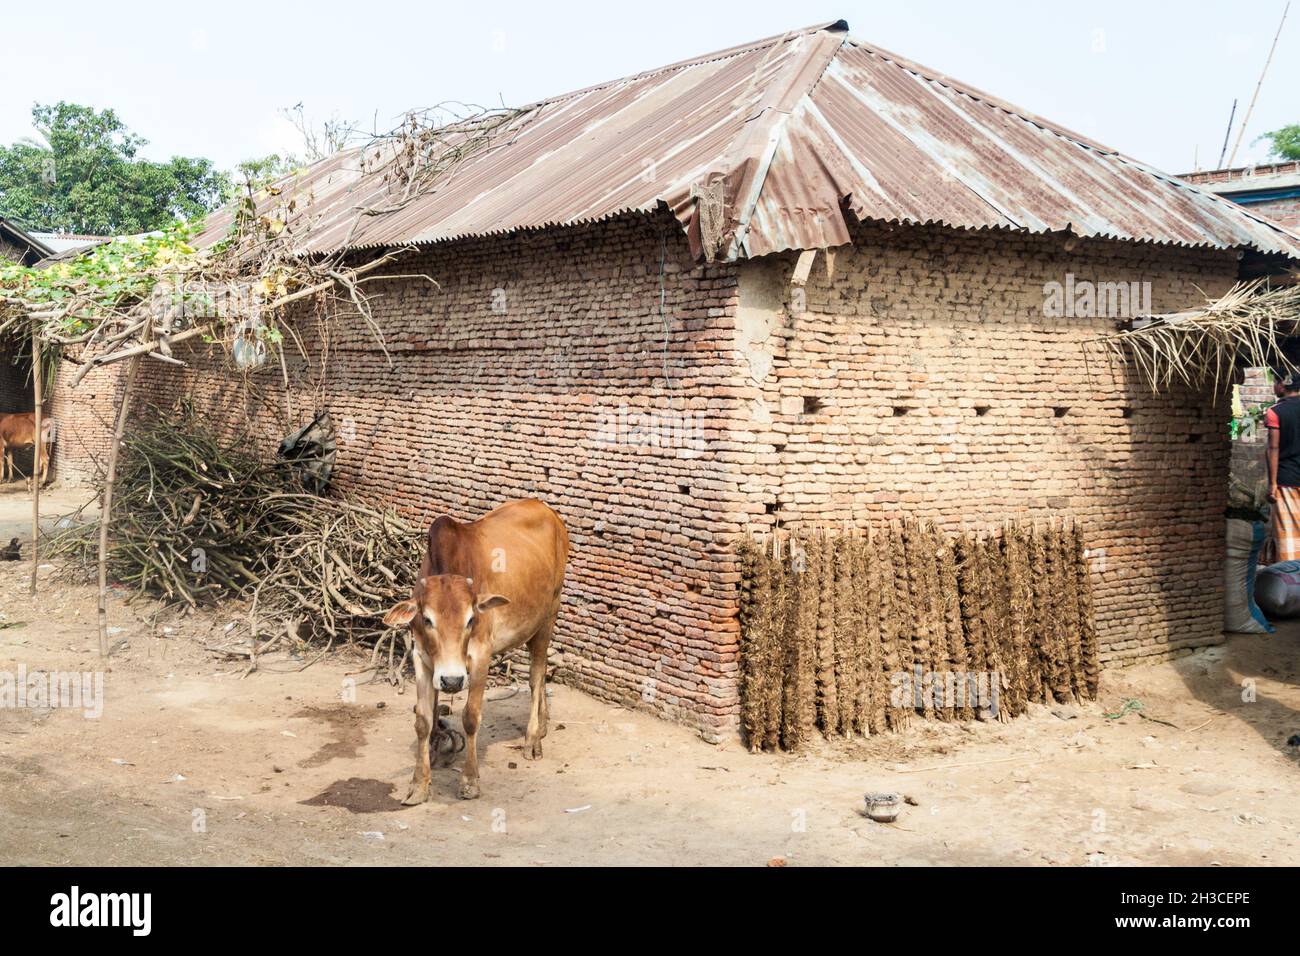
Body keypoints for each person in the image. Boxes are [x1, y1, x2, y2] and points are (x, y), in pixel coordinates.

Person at [1265, 372, 1300, 560]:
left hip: (1286, 481)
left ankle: (1292, 580)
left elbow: (1273, 448)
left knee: (1289, 535)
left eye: (1274, 381)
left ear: (1282, 384)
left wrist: (1271, 484)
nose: (1273, 386)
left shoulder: (1275, 412)